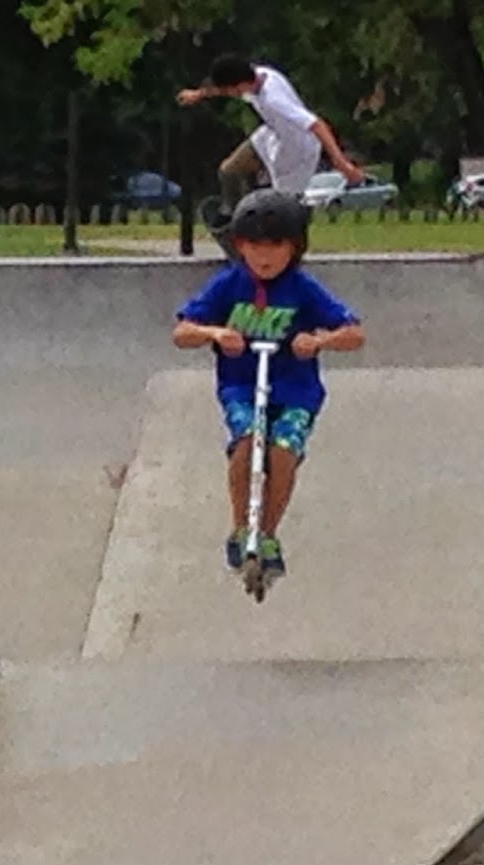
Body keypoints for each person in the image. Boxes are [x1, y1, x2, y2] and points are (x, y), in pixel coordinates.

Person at [172, 189, 365, 582]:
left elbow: (354, 333)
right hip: (242, 385)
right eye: (253, 245)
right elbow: (181, 332)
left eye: (275, 245)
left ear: (294, 247)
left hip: (296, 390)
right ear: (240, 246)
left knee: (282, 452)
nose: (264, 256)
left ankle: (269, 533)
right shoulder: (228, 285)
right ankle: (242, 527)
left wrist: (319, 341)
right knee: (246, 443)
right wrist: (215, 332)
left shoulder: (303, 289)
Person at [177, 52, 365, 221]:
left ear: (241, 85)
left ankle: (288, 239)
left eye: (231, 92)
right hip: (272, 134)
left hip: (299, 150)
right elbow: (224, 86)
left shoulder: (275, 100)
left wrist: (342, 164)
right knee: (229, 171)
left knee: (284, 208)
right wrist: (198, 94)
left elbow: (317, 125)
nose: (231, 95)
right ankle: (234, 217)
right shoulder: (257, 75)